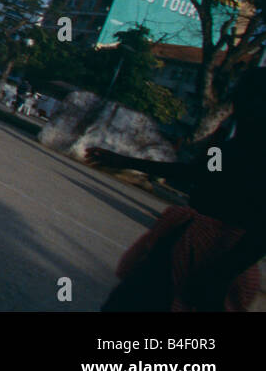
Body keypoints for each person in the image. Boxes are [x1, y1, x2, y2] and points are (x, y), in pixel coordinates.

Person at [87, 68, 266, 312]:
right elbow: (194, 172)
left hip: (218, 256)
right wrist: (125, 162)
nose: (240, 107)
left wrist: (221, 274)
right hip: (185, 243)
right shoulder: (235, 142)